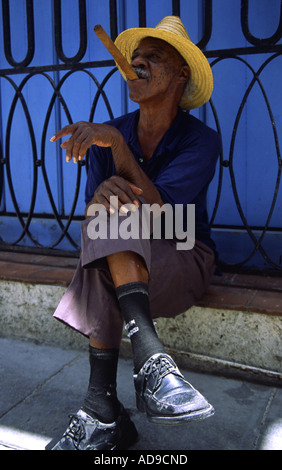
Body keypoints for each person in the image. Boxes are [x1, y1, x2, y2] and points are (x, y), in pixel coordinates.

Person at [50, 16, 221, 451]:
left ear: (181, 75)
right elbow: (94, 222)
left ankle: (102, 411)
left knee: (113, 234)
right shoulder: (113, 133)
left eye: (154, 58)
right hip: (128, 257)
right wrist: (99, 198)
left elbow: (165, 218)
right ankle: (152, 370)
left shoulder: (200, 140)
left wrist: (120, 154)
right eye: (136, 57)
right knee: (108, 221)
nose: (138, 63)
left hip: (184, 247)